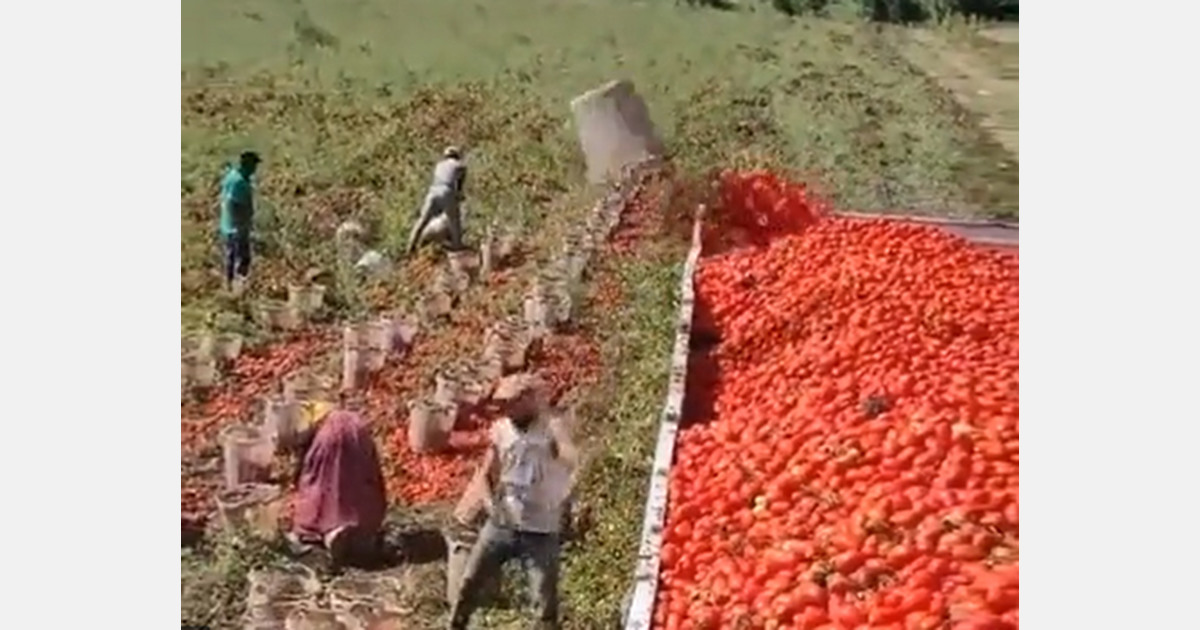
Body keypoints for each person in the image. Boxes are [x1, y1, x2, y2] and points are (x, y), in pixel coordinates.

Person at [449, 374, 578, 630]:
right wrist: (489, 503)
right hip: (503, 524)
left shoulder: (551, 428)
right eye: (503, 404)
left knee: (544, 602)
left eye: (511, 403)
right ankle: (456, 624)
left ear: (528, 400)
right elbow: (487, 470)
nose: (505, 409)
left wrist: (564, 499)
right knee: (469, 582)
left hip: (541, 529)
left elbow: (572, 462)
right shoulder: (501, 429)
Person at [281, 401, 388, 569]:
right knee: (356, 489)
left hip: (330, 442)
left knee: (319, 490)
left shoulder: (320, 434)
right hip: (365, 514)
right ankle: (358, 532)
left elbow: (308, 476)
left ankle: (329, 532)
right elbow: (373, 473)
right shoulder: (355, 425)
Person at [407, 146, 468, 255]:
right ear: (457, 156)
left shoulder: (439, 165)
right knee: (454, 221)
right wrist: (458, 196)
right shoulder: (460, 166)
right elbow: (458, 185)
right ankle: (457, 248)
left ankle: (411, 246)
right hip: (447, 191)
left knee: (422, 220)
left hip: (433, 191)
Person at [218, 151, 261, 291]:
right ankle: (236, 286)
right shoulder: (239, 182)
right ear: (248, 165)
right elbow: (231, 203)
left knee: (232, 256)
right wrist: (239, 224)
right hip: (236, 227)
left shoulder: (234, 176)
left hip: (230, 225)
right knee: (242, 258)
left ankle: (230, 284)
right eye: (254, 165)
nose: (255, 169)